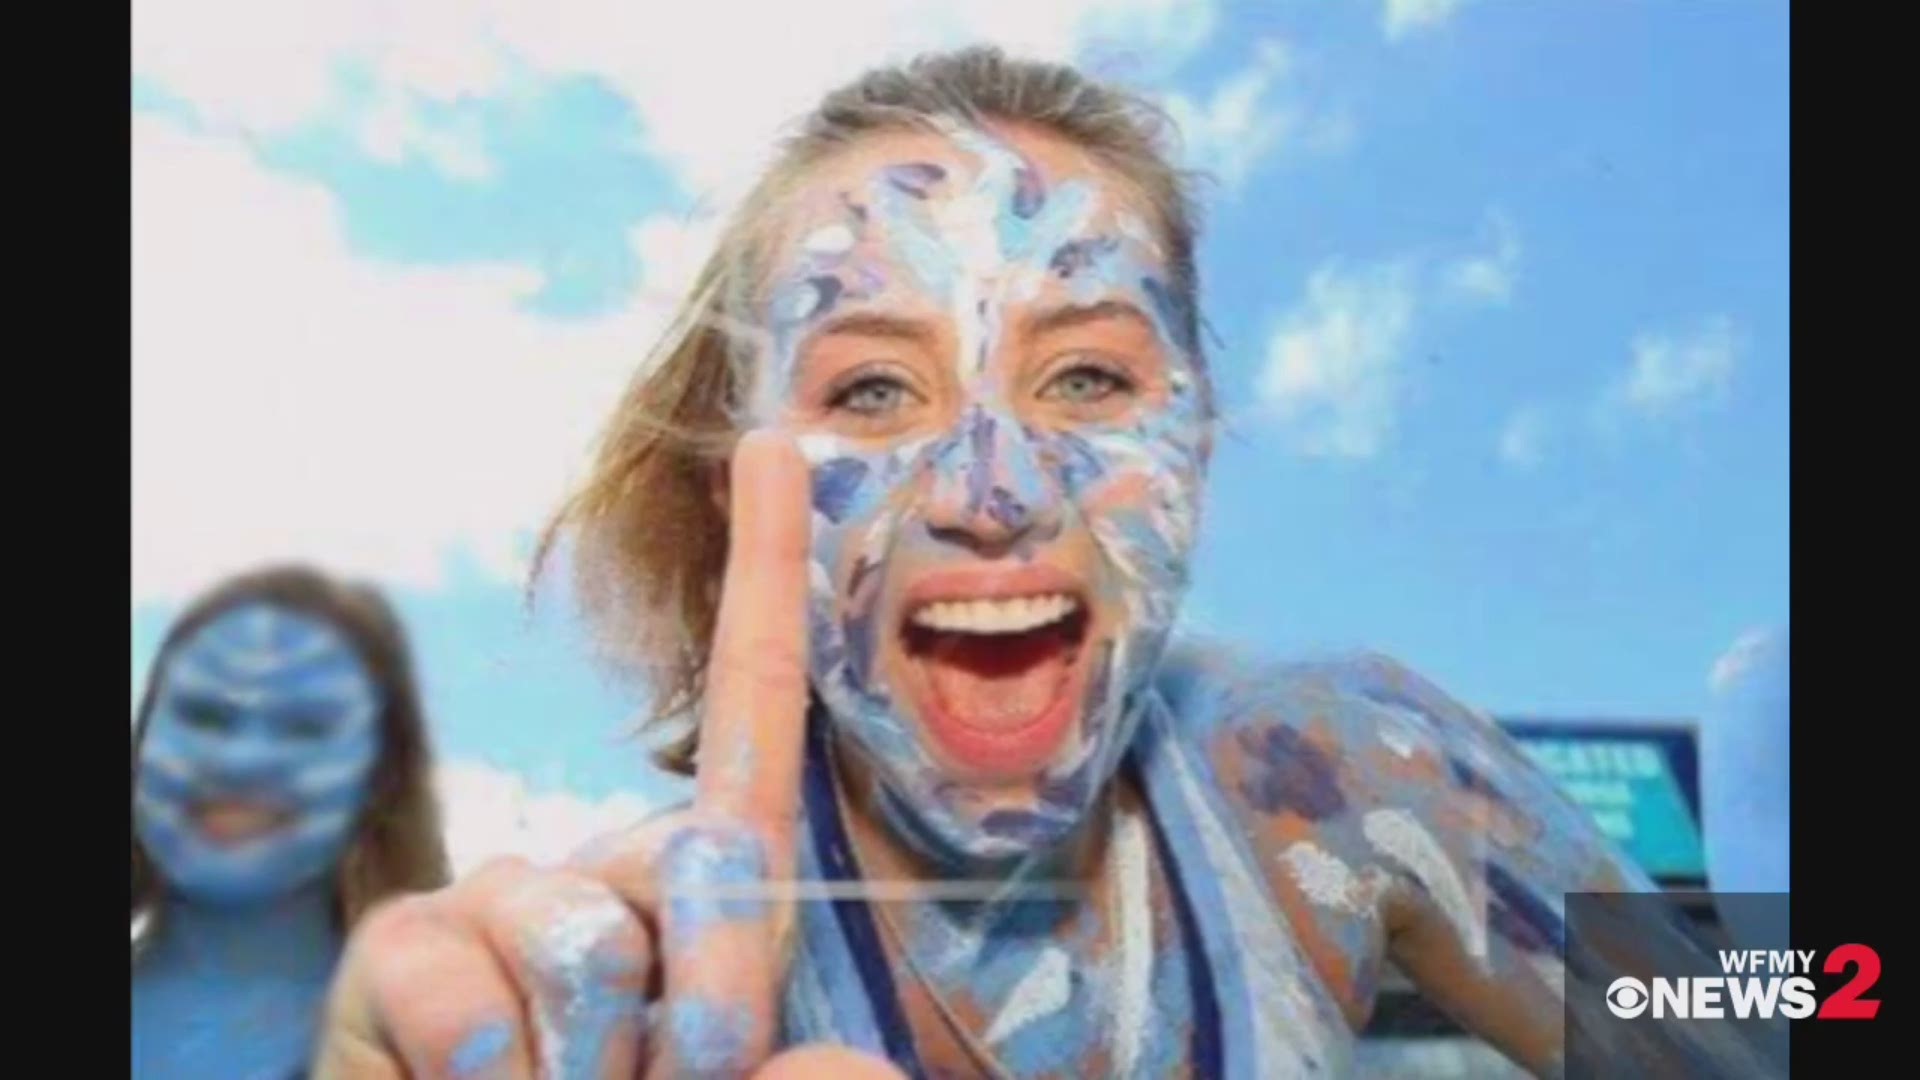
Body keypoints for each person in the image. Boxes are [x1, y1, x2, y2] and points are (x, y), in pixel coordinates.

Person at [315, 47, 1779, 1078]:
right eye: (873, 391)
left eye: (1086, 378)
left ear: (1199, 441)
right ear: (738, 491)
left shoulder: (1340, 774)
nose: (993, 492)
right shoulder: (638, 976)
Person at [133, 565, 452, 1079]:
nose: (240, 762)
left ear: (381, 779)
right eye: (205, 716)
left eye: (305, 728)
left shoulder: (440, 1046)